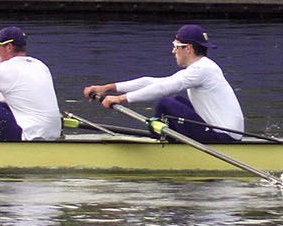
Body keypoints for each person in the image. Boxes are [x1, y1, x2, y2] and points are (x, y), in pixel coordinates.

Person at [82, 24, 245, 144]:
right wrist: (107, 88)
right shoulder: (202, 67)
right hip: (222, 132)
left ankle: (158, 145)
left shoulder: (202, 69)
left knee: (166, 103)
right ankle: (167, 139)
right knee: (176, 102)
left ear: (188, 48)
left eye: (175, 47)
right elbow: (152, 82)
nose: (173, 51)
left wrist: (121, 99)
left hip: (224, 138)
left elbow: (162, 89)